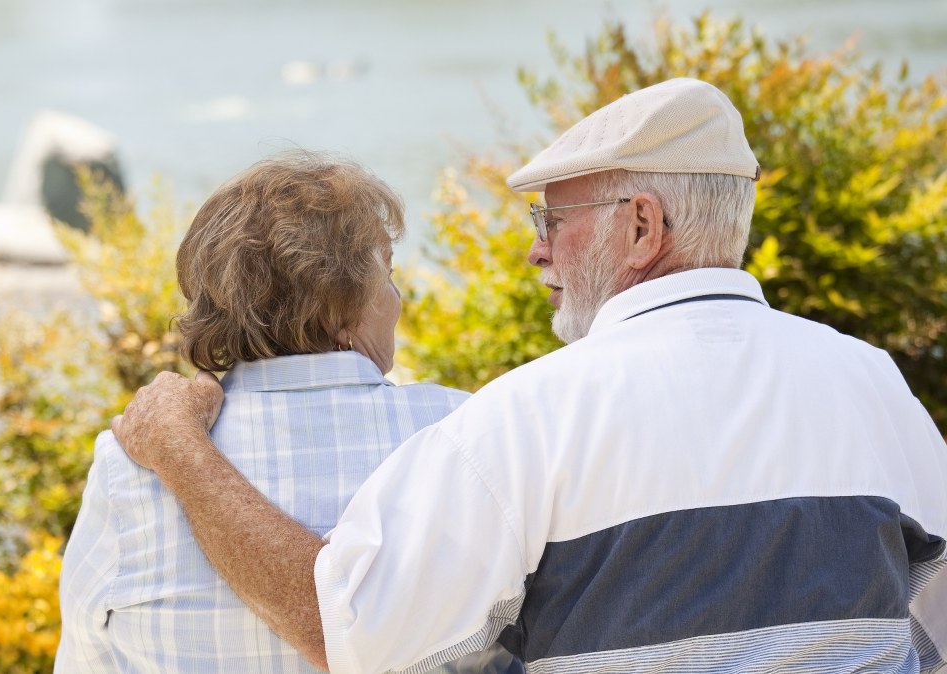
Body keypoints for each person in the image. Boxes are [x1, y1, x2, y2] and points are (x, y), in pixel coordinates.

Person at [109, 78, 947, 674]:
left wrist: (181, 450)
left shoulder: (525, 421)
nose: (536, 249)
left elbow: (350, 637)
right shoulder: (875, 388)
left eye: (552, 220)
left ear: (642, 226)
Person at [57, 151, 519, 673]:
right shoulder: (463, 432)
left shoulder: (130, 462)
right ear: (342, 307)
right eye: (388, 276)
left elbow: (86, 657)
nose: (398, 298)